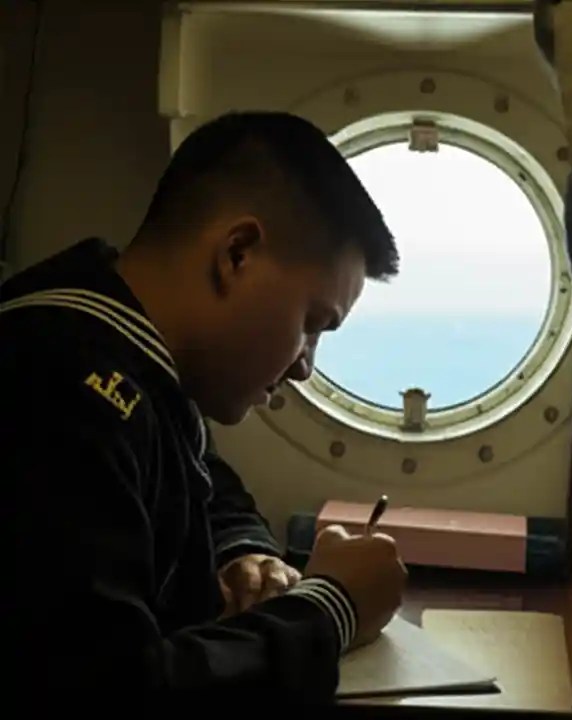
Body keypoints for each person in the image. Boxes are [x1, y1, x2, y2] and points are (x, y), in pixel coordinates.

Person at [0, 111, 409, 703]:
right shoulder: (60, 389)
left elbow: (206, 485)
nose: (304, 365)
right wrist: (333, 607)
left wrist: (245, 551)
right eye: (312, 324)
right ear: (237, 253)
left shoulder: (142, 371)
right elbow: (113, 689)